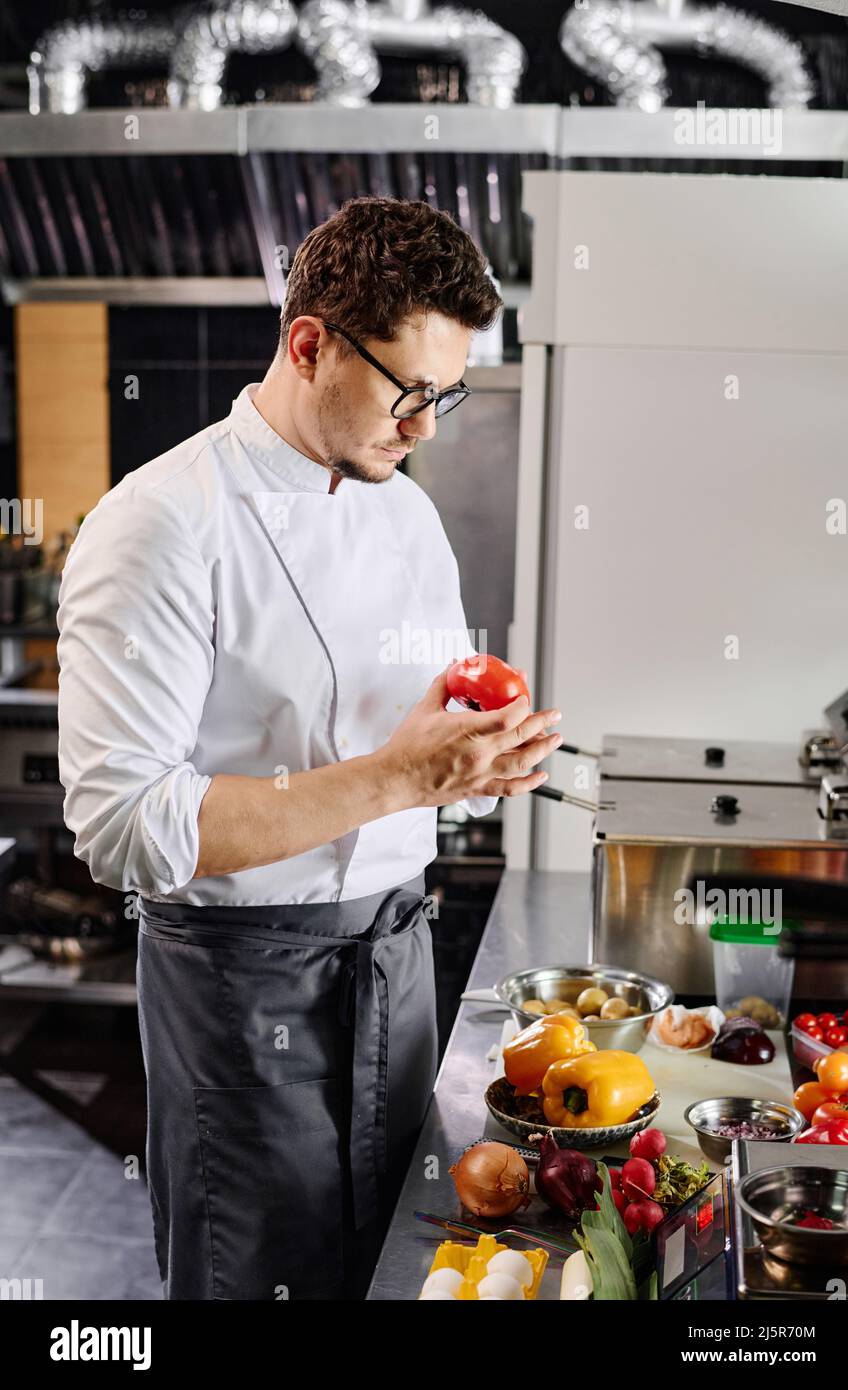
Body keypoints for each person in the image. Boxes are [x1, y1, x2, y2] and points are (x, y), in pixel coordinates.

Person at [57, 197, 562, 1300]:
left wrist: (473, 760)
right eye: (408, 390)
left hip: (396, 964)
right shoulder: (159, 523)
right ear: (308, 344)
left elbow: (411, 745)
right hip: (244, 993)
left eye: (446, 392)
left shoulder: (404, 516)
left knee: (396, 1267)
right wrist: (402, 775)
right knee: (259, 1275)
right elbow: (124, 827)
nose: (427, 424)